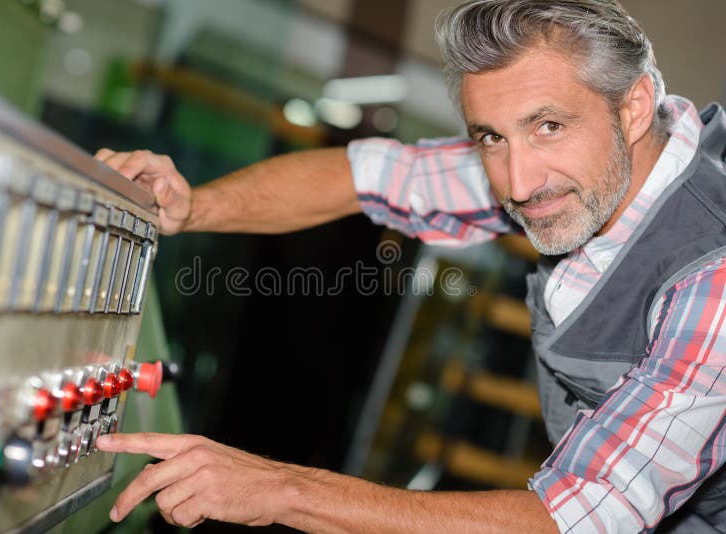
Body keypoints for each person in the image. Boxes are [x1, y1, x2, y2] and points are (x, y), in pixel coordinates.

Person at [94, 0, 726, 531]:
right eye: (490, 137)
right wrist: (196, 207)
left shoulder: (712, 271)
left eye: (550, 126)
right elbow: (367, 177)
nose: (519, 181)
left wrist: (280, 489)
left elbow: (578, 517)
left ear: (635, 106)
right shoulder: (570, 167)